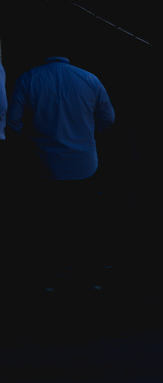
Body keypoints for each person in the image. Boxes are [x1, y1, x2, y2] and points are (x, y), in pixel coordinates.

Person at [7, 52, 116, 290]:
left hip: (44, 164)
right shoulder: (89, 79)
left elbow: (13, 121)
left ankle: (48, 277)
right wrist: (88, 131)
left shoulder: (28, 78)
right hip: (84, 164)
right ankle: (88, 275)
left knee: (48, 223)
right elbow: (108, 118)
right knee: (84, 223)